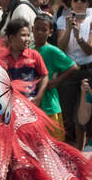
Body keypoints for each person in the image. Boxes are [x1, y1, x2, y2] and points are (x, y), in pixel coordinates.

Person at [55, 0, 92, 145]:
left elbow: (89, 50)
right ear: (70, 2)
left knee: (84, 116)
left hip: (87, 71)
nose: (79, 2)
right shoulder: (62, 20)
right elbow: (61, 47)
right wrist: (69, 28)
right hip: (69, 72)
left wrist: (78, 36)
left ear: (88, 2)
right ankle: (71, 149)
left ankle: (82, 150)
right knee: (67, 114)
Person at [30, 12, 78, 141]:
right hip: (32, 99)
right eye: (37, 29)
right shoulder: (29, 49)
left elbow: (73, 66)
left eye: (44, 30)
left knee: (54, 142)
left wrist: (56, 81)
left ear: (50, 32)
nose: (39, 32)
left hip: (49, 102)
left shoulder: (52, 50)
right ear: (32, 29)